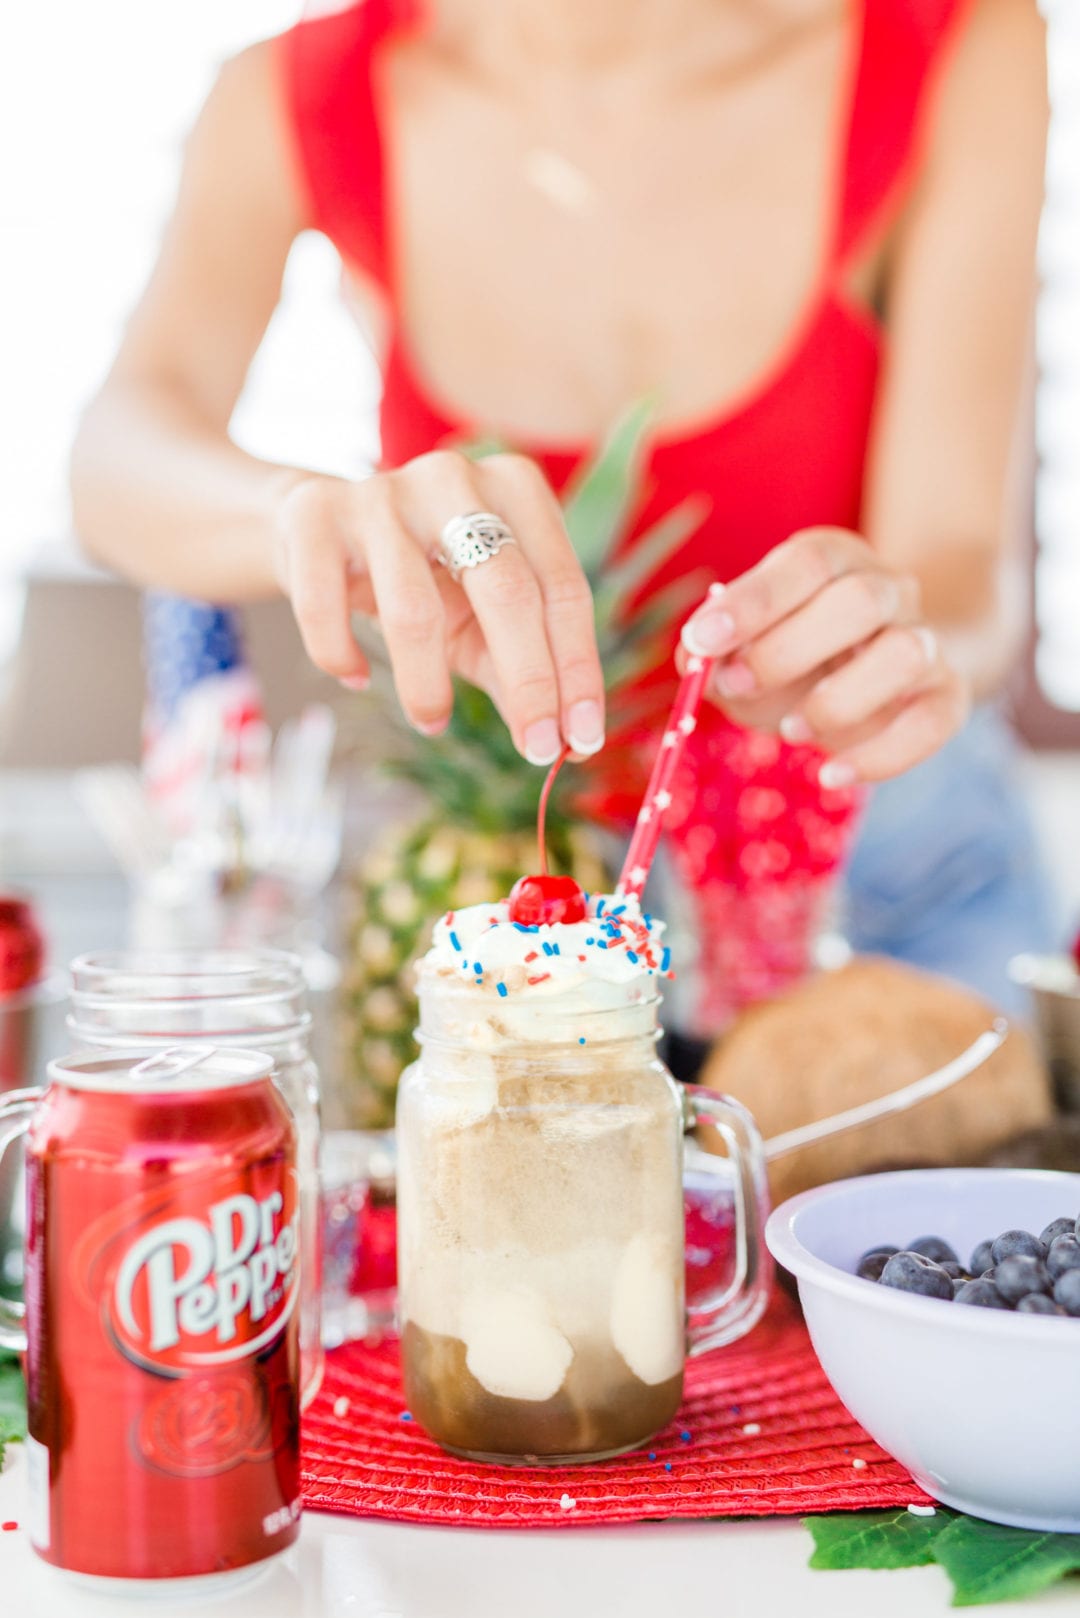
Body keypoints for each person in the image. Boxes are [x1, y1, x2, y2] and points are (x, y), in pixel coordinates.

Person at [70, 0, 1050, 1032]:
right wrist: (306, 513)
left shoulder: (957, 41)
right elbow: (115, 456)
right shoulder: (290, 93)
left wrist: (890, 641)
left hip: (884, 888)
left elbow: (962, 574)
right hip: (515, 916)